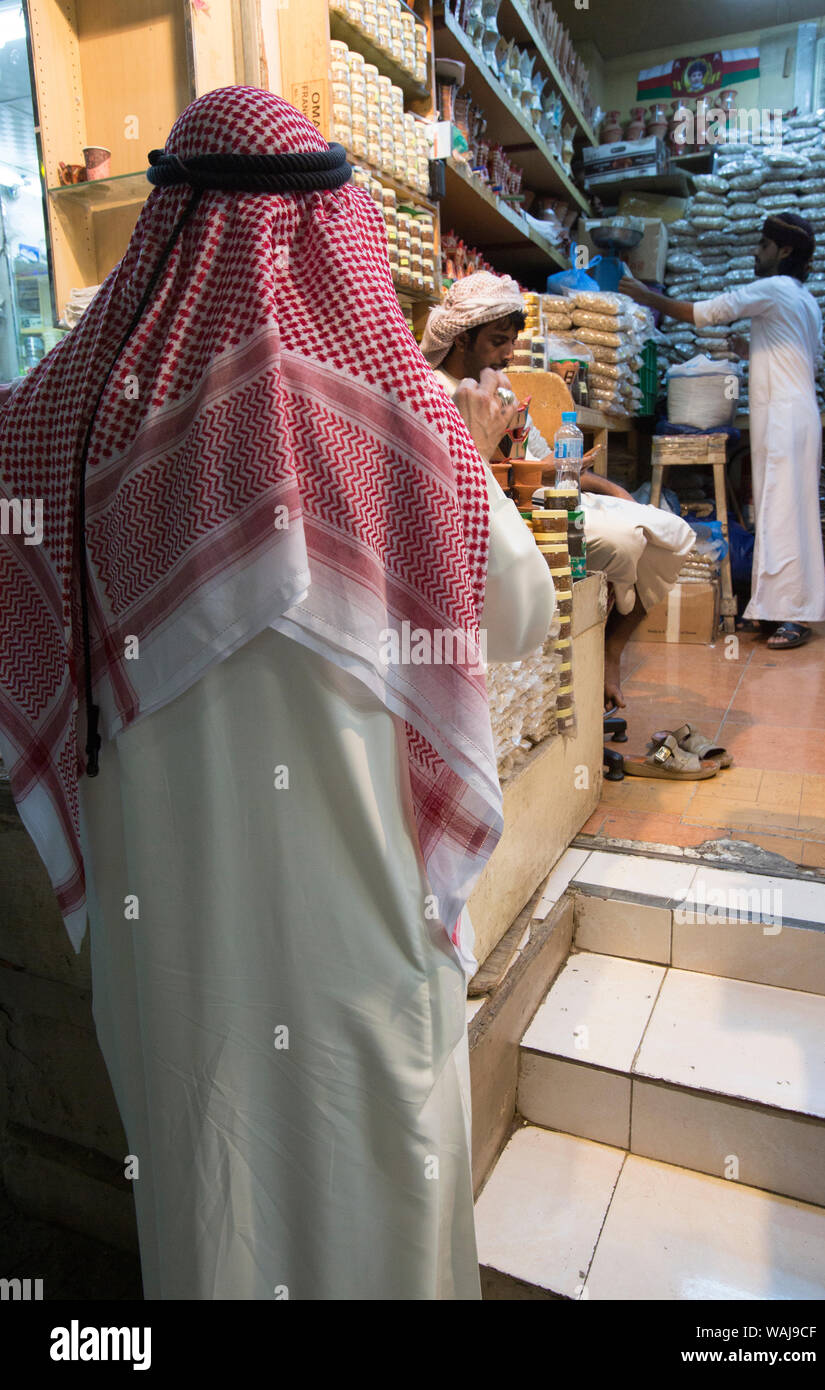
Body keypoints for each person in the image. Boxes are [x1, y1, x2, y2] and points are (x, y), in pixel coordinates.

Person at [0, 87, 555, 1300]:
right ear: (331, 229)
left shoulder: (55, 428)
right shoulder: (406, 424)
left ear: (163, 227)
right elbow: (521, 616)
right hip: (360, 947)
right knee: (384, 1213)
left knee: (214, 1219)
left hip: (177, 968)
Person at [422, 271, 695, 709]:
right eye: (497, 340)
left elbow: (542, 458)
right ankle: (590, 657)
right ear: (460, 340)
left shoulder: (503, 389)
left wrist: (607, 486)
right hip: (509, 519)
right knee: (626, 543)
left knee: (672, 534)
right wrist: (542, 469)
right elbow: (469, 479)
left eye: (512, 339)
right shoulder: (434, 394)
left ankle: (609, 652)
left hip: (552, 497)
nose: (510, 352)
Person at [620, 212, 825, 649]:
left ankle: (795, 614)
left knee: (785, 512)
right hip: (793, 415)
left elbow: (707, 313)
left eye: (764, 245)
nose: (757, 252)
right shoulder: (804, 300)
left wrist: (646, 296)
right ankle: (773, 608)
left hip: (787, 418)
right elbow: (809, 357)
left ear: (784, 251)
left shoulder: (774, 289)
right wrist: (751, 350)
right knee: (775, 510)